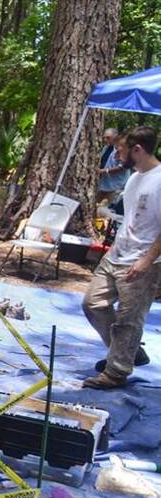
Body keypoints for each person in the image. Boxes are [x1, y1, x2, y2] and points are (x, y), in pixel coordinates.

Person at [82, 126, 161, 390]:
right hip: (117, 254)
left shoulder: (159, 180)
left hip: (141, 262)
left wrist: (146, 261)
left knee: (129, 320)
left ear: (137, 150)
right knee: (93, 303)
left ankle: (116, 371)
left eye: (121, 149)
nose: (116, 154)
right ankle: (129, 351)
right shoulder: (134, 178)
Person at [97, 127, 132, 204]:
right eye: (104, 138)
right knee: (96, 207)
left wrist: (104, 171)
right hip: (103, 184)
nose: (106, 140)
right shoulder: (106, 148)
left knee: (108, 210)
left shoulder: (121, 149)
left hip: (115, 186)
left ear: (115, 137)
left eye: (108, 138)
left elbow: (123, 166)